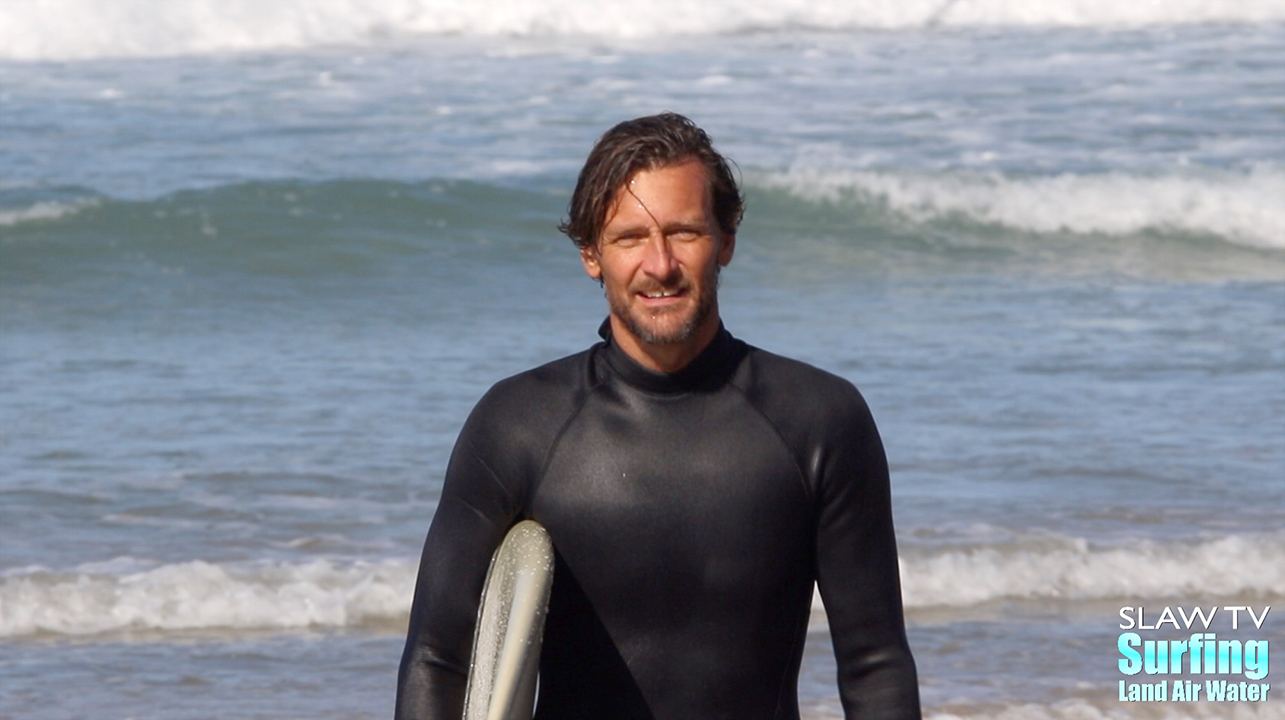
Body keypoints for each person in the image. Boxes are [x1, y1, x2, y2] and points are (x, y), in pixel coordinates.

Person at [396, 112, 920, 719]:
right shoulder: (519, 426)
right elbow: (438, 657)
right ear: (592, 254)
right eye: (629, 238)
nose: (660, 263)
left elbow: (874, 662)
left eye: (684, 232)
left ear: (726, 240)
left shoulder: (818, 421)